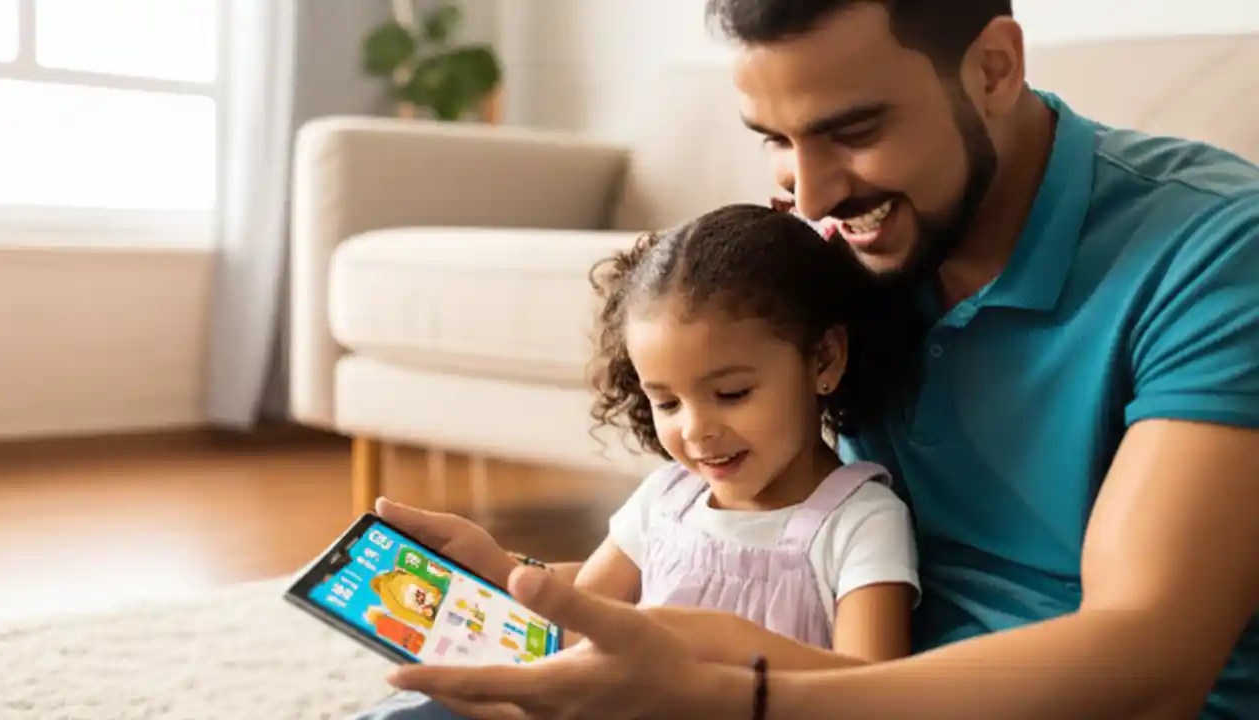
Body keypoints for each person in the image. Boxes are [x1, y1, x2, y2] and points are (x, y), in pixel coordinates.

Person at [359, 1, 1259, 718]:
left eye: (854, 130)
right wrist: (534, 593)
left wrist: (745, 699)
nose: (813, 194)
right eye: (776, 142)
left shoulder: (1216, 251)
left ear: (994, 68)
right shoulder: (848, 249)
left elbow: (1151, 667)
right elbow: (757, 556)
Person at [352, 204, 923, 720]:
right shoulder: (668, 500)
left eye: (732, 394)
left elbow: (873, 691)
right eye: (667, 402)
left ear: (823, 359)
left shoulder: (859, 521)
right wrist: (498, 569)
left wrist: (722, 654)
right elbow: (574, 621)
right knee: (415, 710)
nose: (696, 429)